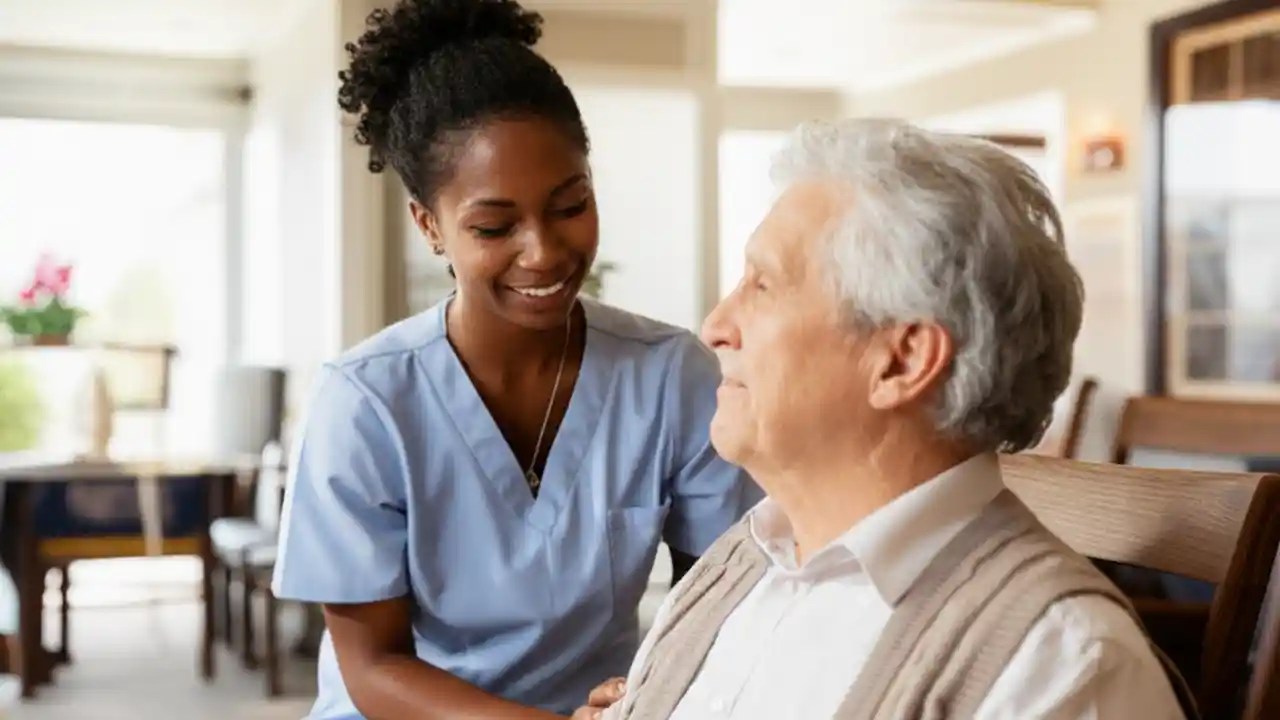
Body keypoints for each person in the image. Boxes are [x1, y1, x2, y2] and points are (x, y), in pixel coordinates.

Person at [585, 118, 1195, 719]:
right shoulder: (741, 562)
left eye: (762, 285)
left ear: (901, 360)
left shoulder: (1063, 669)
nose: (715, 327)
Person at [270, 1, 760, 718]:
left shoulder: (670, 376)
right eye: (495, 226)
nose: (544, 252)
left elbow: (718, 601)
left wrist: (648, 696)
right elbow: (373, 667)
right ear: (430, 225)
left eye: (570, 206)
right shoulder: (366, 402)